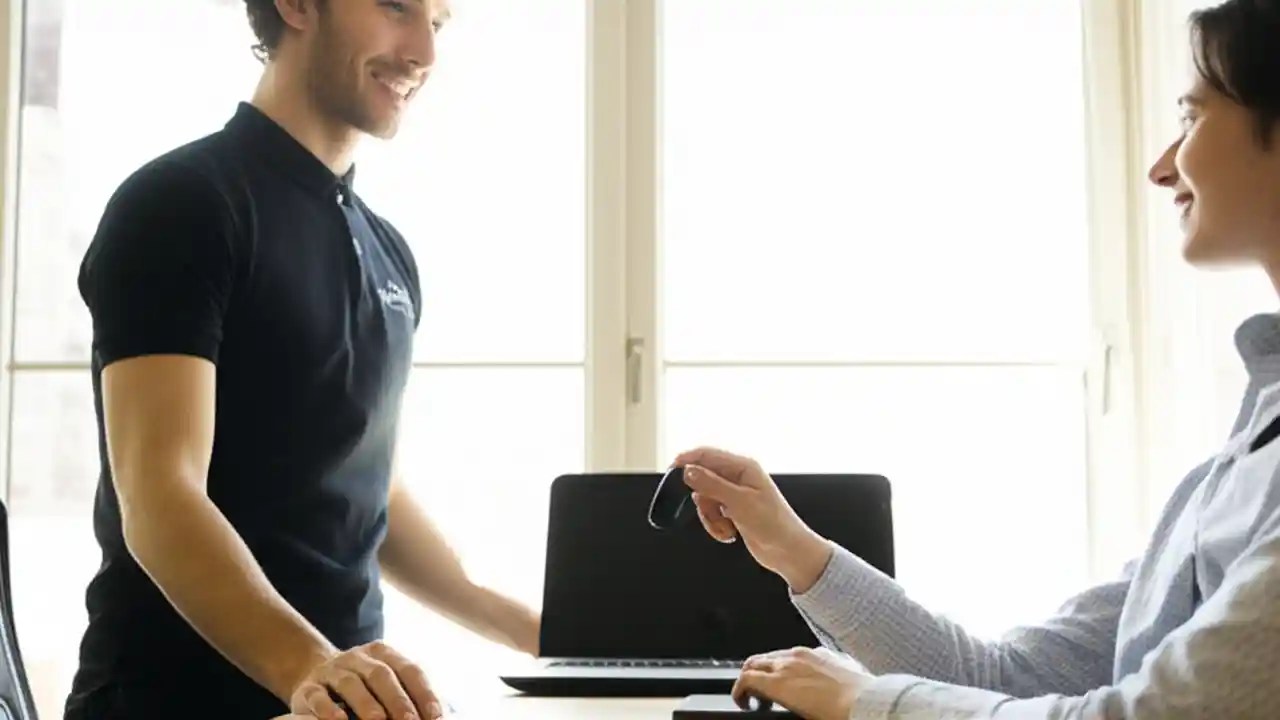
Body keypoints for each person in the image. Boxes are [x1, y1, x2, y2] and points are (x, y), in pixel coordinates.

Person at [671, 1, 1280, 717]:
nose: (1160, 166)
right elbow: (1011, 677)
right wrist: (796, 551)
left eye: (1191, 116)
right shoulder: (1236, 458)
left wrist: (869, 704)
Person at [62, 1, 539, 718]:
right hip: (172, 701)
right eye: (395, 8)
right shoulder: (180, 205)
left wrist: (541, 631)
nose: (423, 53)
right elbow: (160, 492)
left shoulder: (388, 252)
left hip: (335, 705)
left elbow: (361, 483)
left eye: (437, 24)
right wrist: (312, 666)